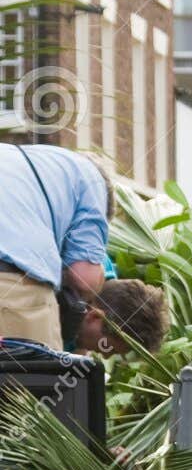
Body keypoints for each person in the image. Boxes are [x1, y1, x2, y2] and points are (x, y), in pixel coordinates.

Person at [0, 144, 110, 348]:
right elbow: (84, 278)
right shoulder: (91, 178)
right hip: (13, 290)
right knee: (33, 368)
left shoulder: (20, 160)